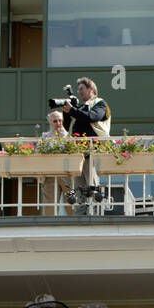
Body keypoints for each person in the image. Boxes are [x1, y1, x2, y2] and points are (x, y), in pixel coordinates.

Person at [61, 77, 112, 211]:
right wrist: (67, 112)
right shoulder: (81, 108)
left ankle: (95, 210)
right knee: (78, 184)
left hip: (92, 149)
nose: (79, 92)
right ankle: (81, 212)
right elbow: (67, 126)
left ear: (91, 89)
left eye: (81, 89)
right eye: (78, 89)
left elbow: (92, 117)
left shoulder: (100, 104)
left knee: (91, 183)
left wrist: (73, 110)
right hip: (78, 151)